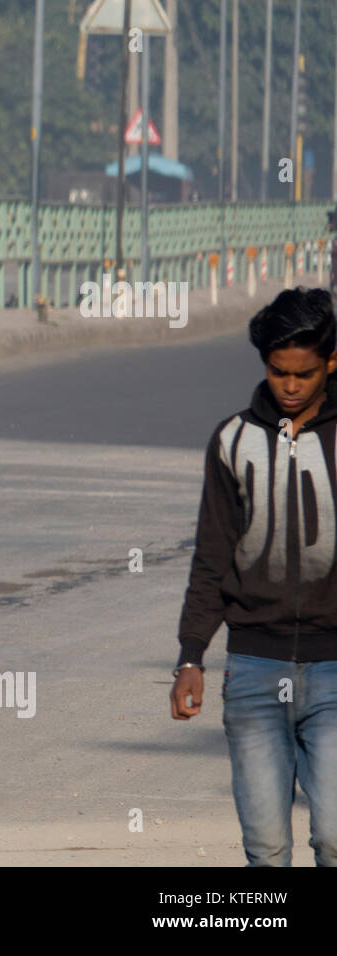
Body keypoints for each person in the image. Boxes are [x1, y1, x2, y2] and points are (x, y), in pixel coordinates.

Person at [171, 287, 337, 866]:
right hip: (253, 672)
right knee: (267, 851)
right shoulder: (232, 441)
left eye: (305, 374)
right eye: (277, 372)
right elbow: (211, 555)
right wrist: (191, 656)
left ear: (331, 363)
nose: (290, 386)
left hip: (335, 670)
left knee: (336, 837)